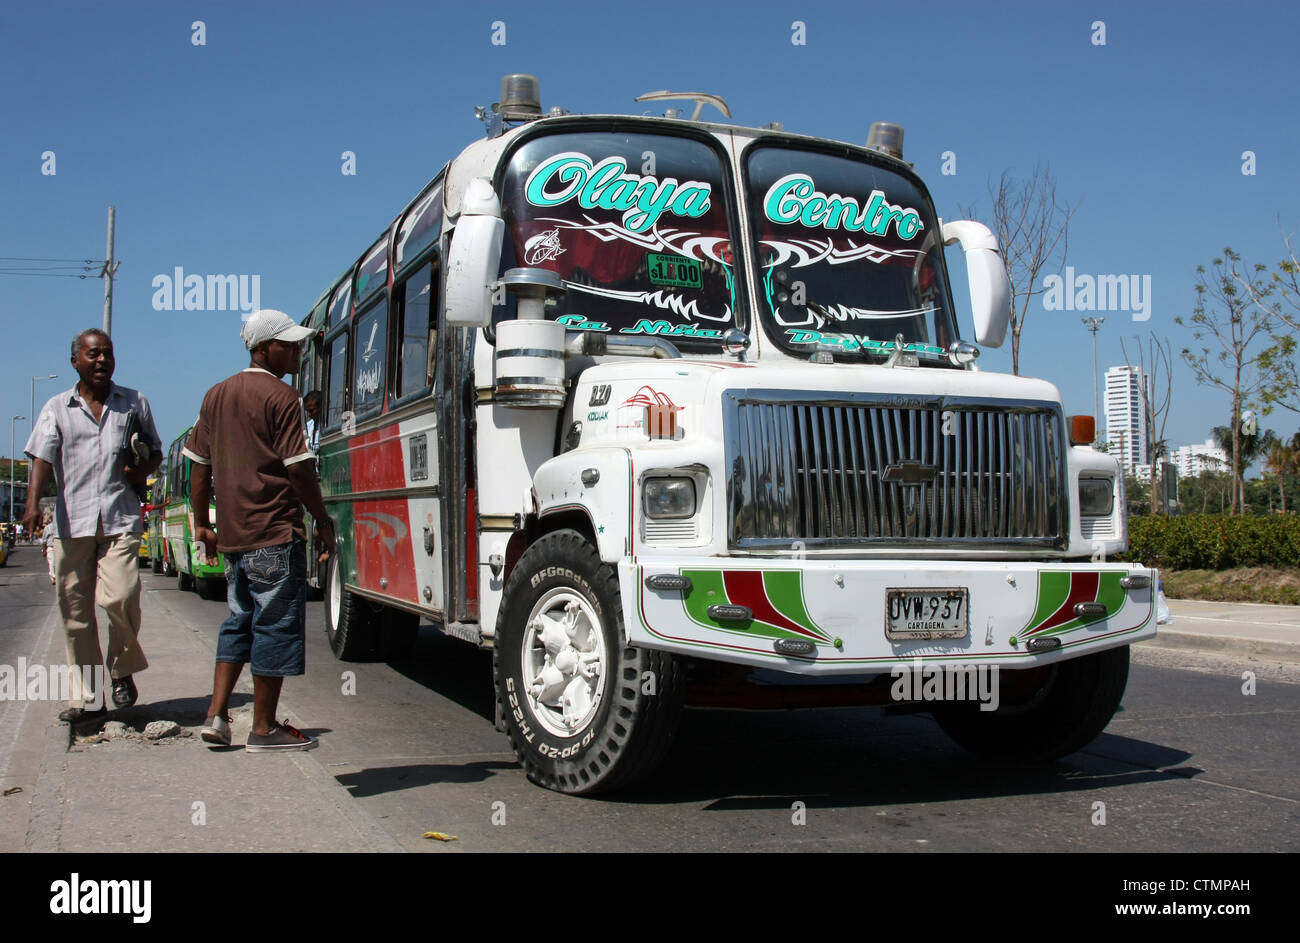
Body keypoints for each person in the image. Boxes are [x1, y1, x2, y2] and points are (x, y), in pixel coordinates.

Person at [186, 309, 334, 751]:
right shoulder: (283, 397)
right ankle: (264, 728)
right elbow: (299, 470)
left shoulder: (216, 394)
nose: (297, 350)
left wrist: (201, 524)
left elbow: (198, 468)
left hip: (233, 536)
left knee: (239, 622)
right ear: (262, 349)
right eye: (288, 345)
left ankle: (216, 715)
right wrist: (322, 521)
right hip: (274, 532)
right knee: (275, 627)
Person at [22, 328, 162, 721]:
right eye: (93, 354)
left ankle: (122, 669)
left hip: (120, 517)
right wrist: (33, 505)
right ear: (76, 362)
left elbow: (156, 452)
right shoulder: (56, 407)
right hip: (72, 523)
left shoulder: (134, 402)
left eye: (108, 353)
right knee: (76, 613)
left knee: (120, 597)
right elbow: (42, 459)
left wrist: (142, 469)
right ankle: (88, 699)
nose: (101, 360)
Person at [42, 516, 56, 584]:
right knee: (52, 563)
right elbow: (44, 540)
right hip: (51, 547)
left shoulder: (63, 525)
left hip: (61, 547)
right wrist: (44, 550)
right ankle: (54, 578)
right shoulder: (48, 527)